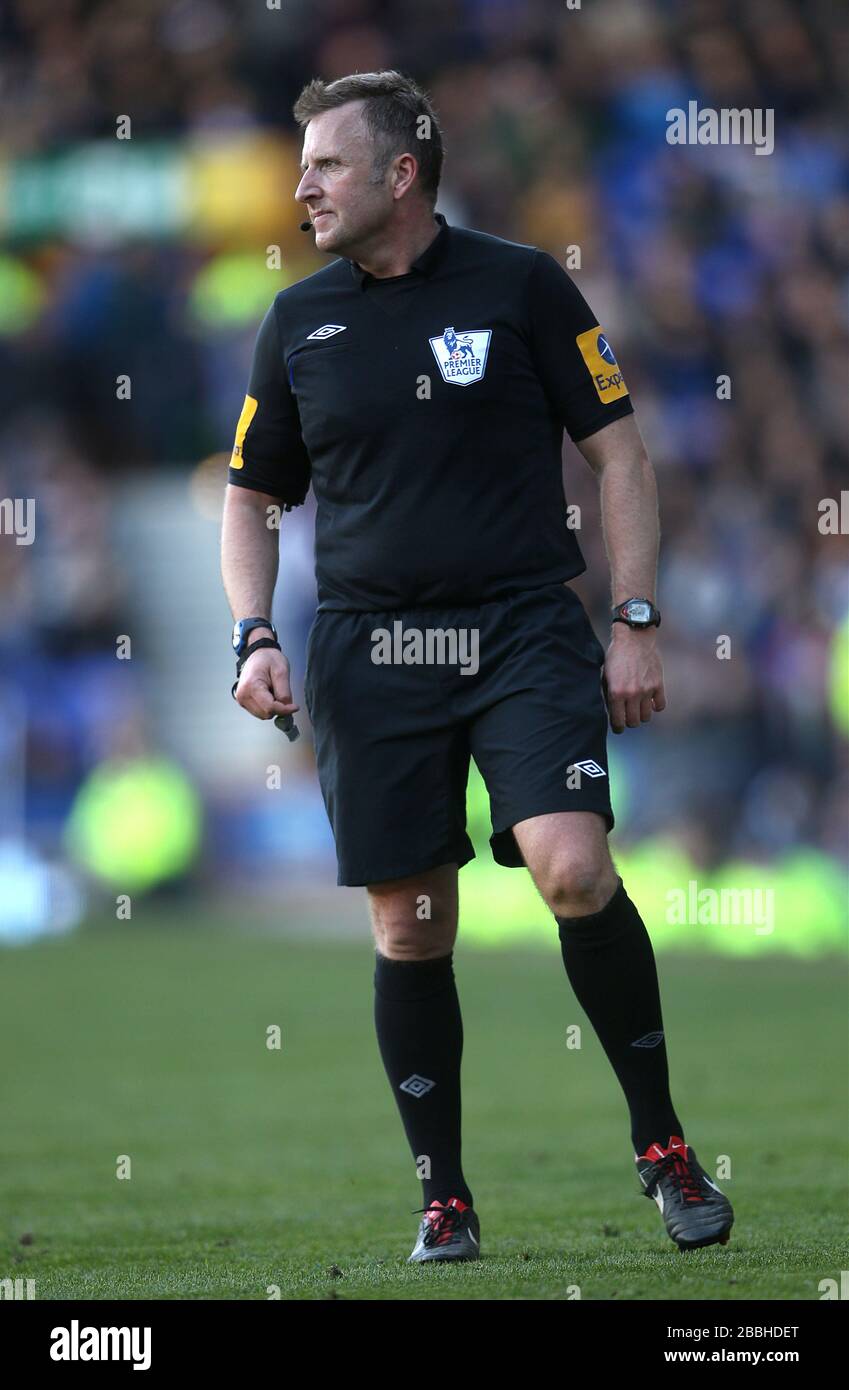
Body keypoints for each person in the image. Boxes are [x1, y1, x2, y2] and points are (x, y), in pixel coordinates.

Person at [220, 69, 734, 1262]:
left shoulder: (522, 284)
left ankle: (662, 1145)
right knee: (411, 928)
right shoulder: (299, 320)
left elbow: (622, 456)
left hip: (517, 625)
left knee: (572, 872)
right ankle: (442, 1192)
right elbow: (249, 497)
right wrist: (254, 632)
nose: (301, 186)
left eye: (326, 165)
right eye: (303, 166)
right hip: (371, 647)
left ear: (402, 173)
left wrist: (639, 613)